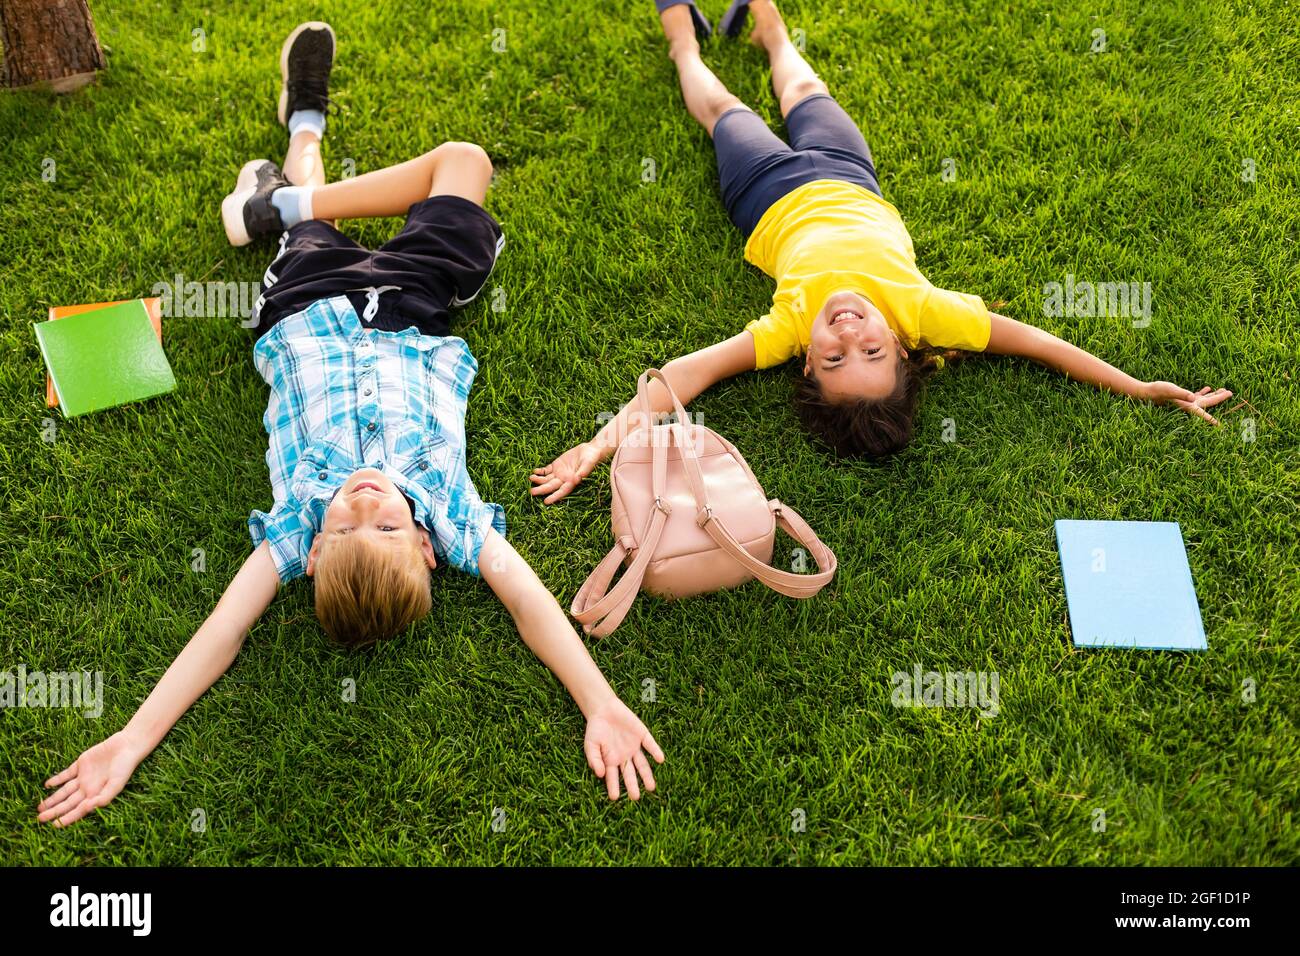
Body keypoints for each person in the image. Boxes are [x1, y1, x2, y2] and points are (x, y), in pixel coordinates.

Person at [37, 22, 662, 827]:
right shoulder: (454, 513)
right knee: (464, 161)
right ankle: (282, 203)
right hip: (412, 306)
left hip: (308, 308)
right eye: (388, 525)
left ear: (314, 549)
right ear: (429, 549)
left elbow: (221, 634)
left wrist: (129, 741)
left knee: (310, 232)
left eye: (345, 525)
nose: (364, 500)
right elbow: (531, 603)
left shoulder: (294, 525)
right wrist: (600, 702)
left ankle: (302, 136)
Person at [530, 0, 1232, 503]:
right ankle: (770, 26)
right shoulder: (926, 313)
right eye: (870, 352)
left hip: (765, 193)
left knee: (725, 112)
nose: (847, 335)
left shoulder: (786, 329)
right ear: (901, 347)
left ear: (806, 359)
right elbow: (1041, 345)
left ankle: (681, 35)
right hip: (850, 174)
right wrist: (1136, 385)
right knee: (804, 86)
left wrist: (600, 445)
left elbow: (681, 377)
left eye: (834, 358)